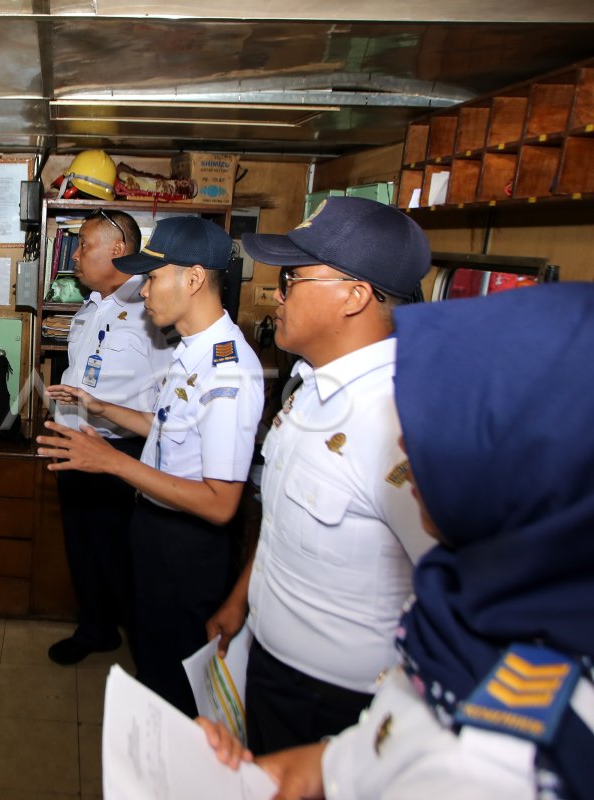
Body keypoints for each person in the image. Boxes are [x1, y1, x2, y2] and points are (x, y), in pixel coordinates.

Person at [199, 283, 594, 800]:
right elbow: (356, 760)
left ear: (527, 464)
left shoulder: (506, 760)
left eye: (446, 427)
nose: (405, 443)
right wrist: (263, 775)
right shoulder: (459, 631)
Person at [204, 196, 436, 755]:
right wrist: (242, 600)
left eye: (291, 279)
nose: (275, 296)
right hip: (270, 661)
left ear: (355, 296)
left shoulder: (400, 421)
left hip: (342, 706)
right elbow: (284, 521)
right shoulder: (312, 387)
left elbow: (456, 595)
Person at [37, 216, 263, 715]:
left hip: (188, 544)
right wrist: (99, 407)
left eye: (155, 278)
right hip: (157, 524)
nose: (145, 292)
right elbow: (163, 427)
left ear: (194, 278)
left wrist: (110, 461)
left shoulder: (228, 371)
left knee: (176, 688)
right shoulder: (192, 352)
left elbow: (222, 504)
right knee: (156, 672)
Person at [43, 209, 173, 666]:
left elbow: (169, 401)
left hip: (121, 451)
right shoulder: (92, 304)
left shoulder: (152, 312)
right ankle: (95, 629)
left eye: (83, 246)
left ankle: (148, 656)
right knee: (83, 549)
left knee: (124, 559)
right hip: (75, 446)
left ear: (119, 249)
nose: (75, 256)